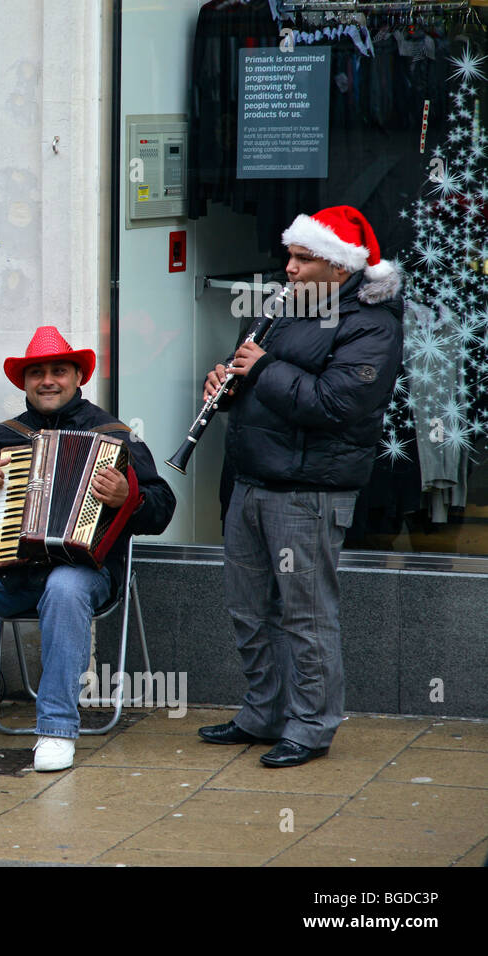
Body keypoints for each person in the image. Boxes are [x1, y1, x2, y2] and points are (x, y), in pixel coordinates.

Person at [0, 327, 176, 771]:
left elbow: (163, 507)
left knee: (65, 587)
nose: (48, 380)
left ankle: (55, 728)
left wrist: (126, 497)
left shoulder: (113, 434)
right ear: (24, 382)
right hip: (12, 569)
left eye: (58, 371)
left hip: (87, 570)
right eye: (37, 373)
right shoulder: (3, 435)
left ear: (77, 378)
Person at [197, 205, 403, 767]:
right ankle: (263, 712)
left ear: (339, 268)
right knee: (249, 610)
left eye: (302, 258)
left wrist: (260, 369)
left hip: (310, 491)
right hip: (251, 477)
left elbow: (337, 403)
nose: (288, 268)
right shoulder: (284, 307)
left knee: (306, 616)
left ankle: (311, 726)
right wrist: (227, 379)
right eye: (289, 255)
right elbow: (253, 372)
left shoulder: (371, 323)